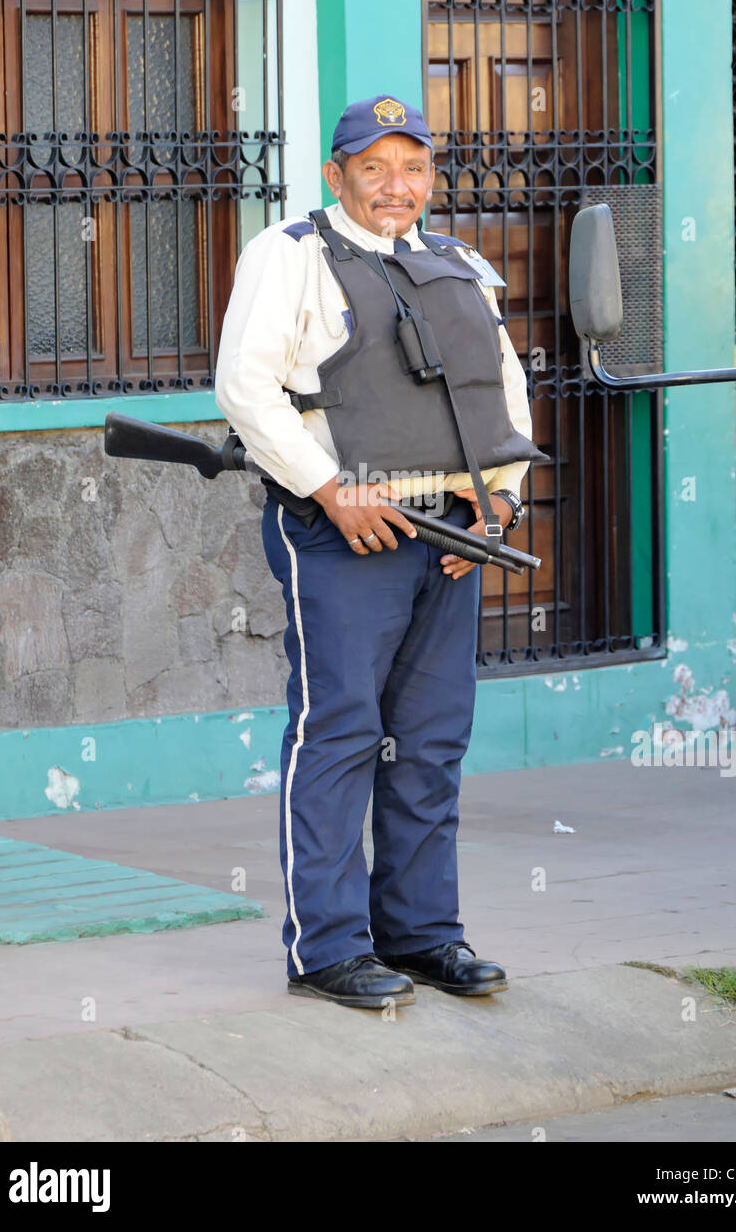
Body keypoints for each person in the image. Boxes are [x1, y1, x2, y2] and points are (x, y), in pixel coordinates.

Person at [215, 94, 540, 1009]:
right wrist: (327, 489)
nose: (395, 187)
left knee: (430, 741)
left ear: (431, 177)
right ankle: (326, 950)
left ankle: (422, 935)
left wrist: (500, 504)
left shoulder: (458, 264)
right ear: (336, 175)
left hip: (451, 532)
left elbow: (504, 393)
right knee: (340, 732)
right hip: (341, 528)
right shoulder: (288, 257)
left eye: (412, 169)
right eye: (373, 169)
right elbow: (244, 389)